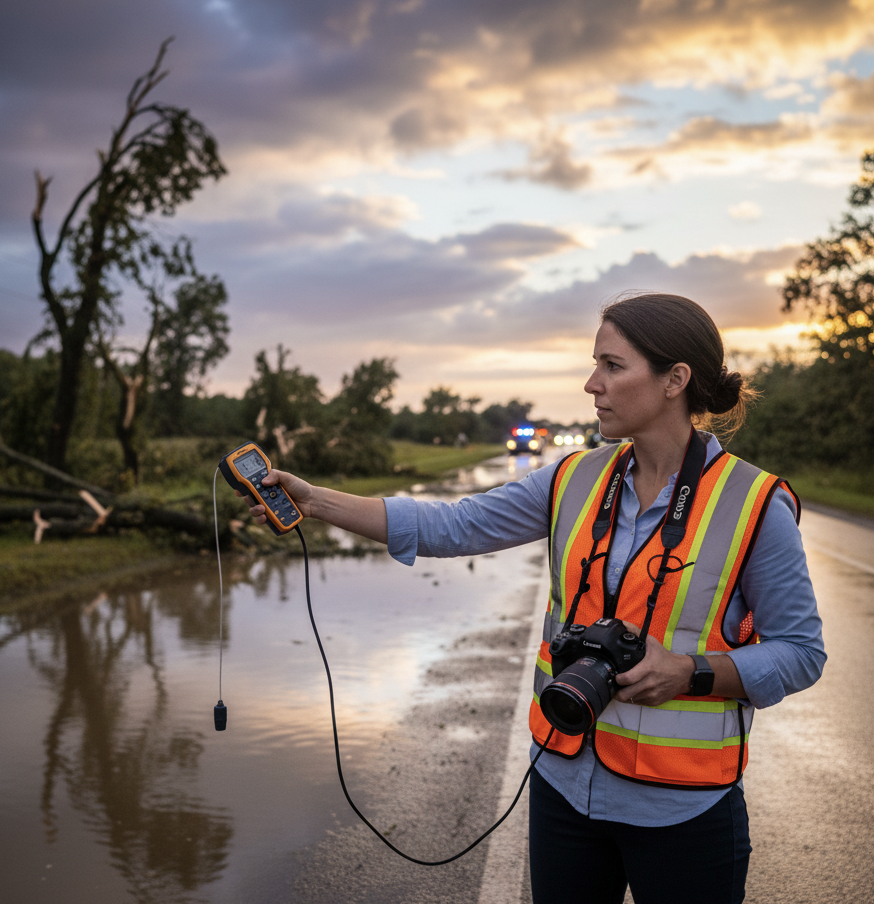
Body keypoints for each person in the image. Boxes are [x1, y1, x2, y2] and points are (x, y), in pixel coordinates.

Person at [241, 293, 826, 904]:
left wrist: (689, 672)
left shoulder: (755, 505)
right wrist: (313, 500)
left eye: (612, 366)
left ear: (675, 379)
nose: (591, 383)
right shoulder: (574, 477)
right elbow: (452, 526)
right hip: (564, 786)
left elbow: (802, 652)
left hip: (683, 808)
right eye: (594, 363)